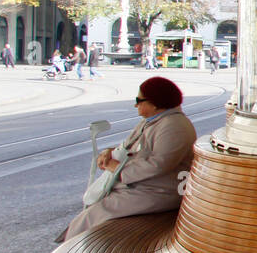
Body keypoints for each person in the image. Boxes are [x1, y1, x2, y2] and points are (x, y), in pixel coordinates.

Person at [58, 77, 197, 242]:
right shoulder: (152, 122)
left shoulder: (174, 126)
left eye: (139, 100)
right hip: (143, 186)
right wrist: (110, 152)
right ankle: (74, 248)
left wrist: (116, 168)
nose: (136, 104)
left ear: (155, 103)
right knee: (93, 207)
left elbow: (159, 165)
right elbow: (128, 147)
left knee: (95, 214)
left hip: (160, 191)